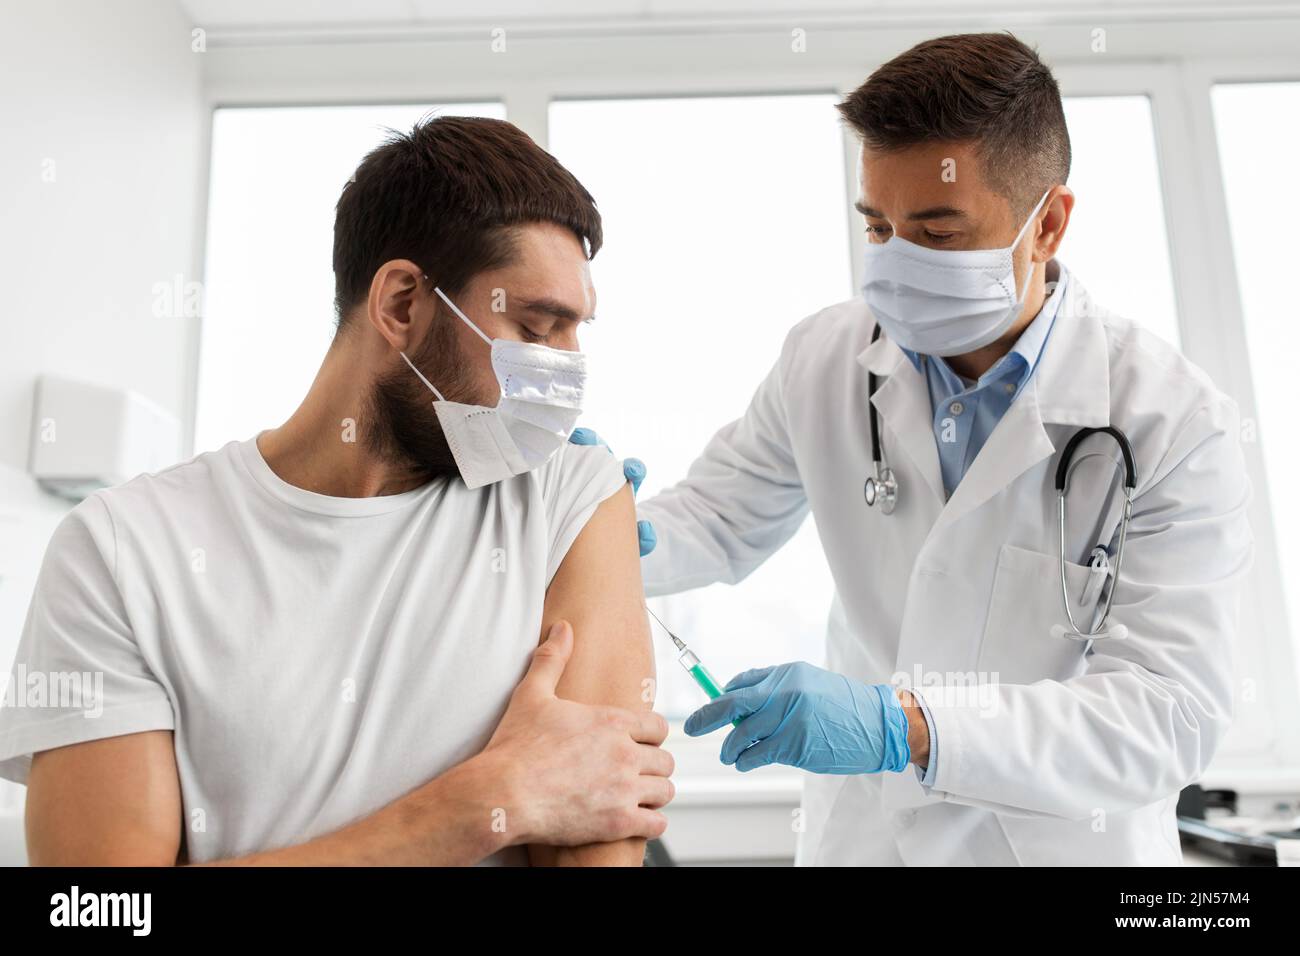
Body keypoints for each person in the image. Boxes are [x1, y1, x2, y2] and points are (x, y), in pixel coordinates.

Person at [615, 33, 1252, 865]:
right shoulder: (825, 359)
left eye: (938, 231)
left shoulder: (1170, 421)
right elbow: (718, 517)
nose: (893, 263)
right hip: (866, 842)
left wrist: (901, 728)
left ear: (1048, 223)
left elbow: (1167, 714)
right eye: (878, 226)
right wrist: (600, 529)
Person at [0, 116, 673, 866]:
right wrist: (489, 801)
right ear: (403, 305)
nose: (568, 374)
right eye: (538, 329)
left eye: (578, 333)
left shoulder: (569, 502)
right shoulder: (125, 551)